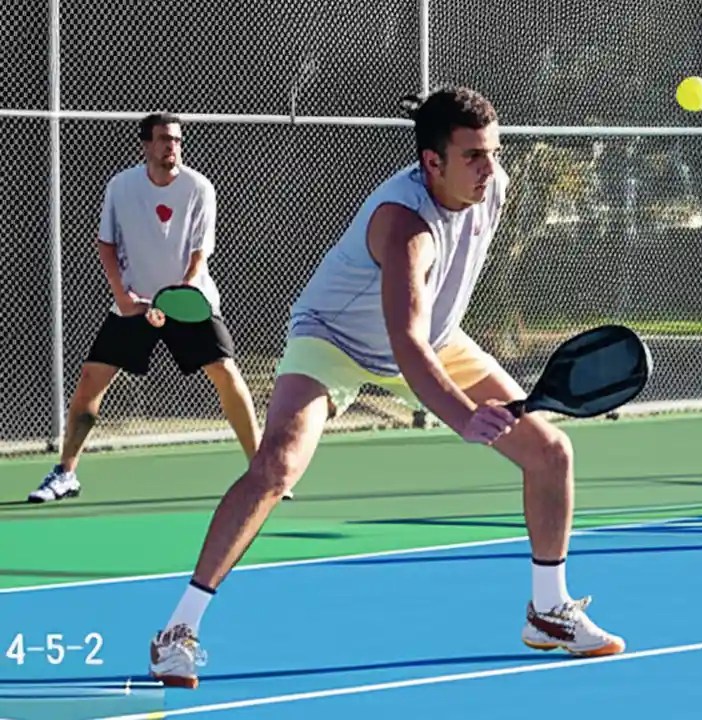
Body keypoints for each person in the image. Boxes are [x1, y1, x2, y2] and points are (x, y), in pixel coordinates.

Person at [147, 86, 625, 689]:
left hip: (440, 337)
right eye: (474, 155)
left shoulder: (491, 189)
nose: (489, 167)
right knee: (276, 467)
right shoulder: (403, 224)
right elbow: (405, 344)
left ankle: (548, 611)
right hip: (335, 342)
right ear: (432, 162)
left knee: (551, 453)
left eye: (494, 153)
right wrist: (461, 415)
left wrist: (462, 393)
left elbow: (430, 330)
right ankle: (177, 632)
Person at [29, 113, 262, 504]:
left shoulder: (199, 187)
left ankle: (262, 470)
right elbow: (107, 244)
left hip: (190, 300)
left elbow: (200, 249)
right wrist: (122, 296)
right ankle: (66, 473)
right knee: (90, 379)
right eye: (164, 139)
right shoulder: (121, 186)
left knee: (225, 371)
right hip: (135, 303)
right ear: (146, 145)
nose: (172, 146)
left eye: (177, 140)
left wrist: (185, 288)